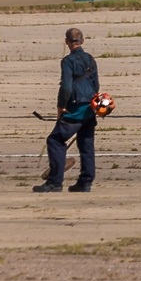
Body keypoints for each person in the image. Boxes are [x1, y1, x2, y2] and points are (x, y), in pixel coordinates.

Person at [35, 27, 99, 193]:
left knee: (55, 141)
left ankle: (55, 182)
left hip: (75, 109)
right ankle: (85, 182)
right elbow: (96, 84)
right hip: (90, 108)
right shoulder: (90, 59)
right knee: (86, 144)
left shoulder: (67, 61)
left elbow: (66, 86)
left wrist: (61, 106)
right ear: (82, 41)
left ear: (67, 42)